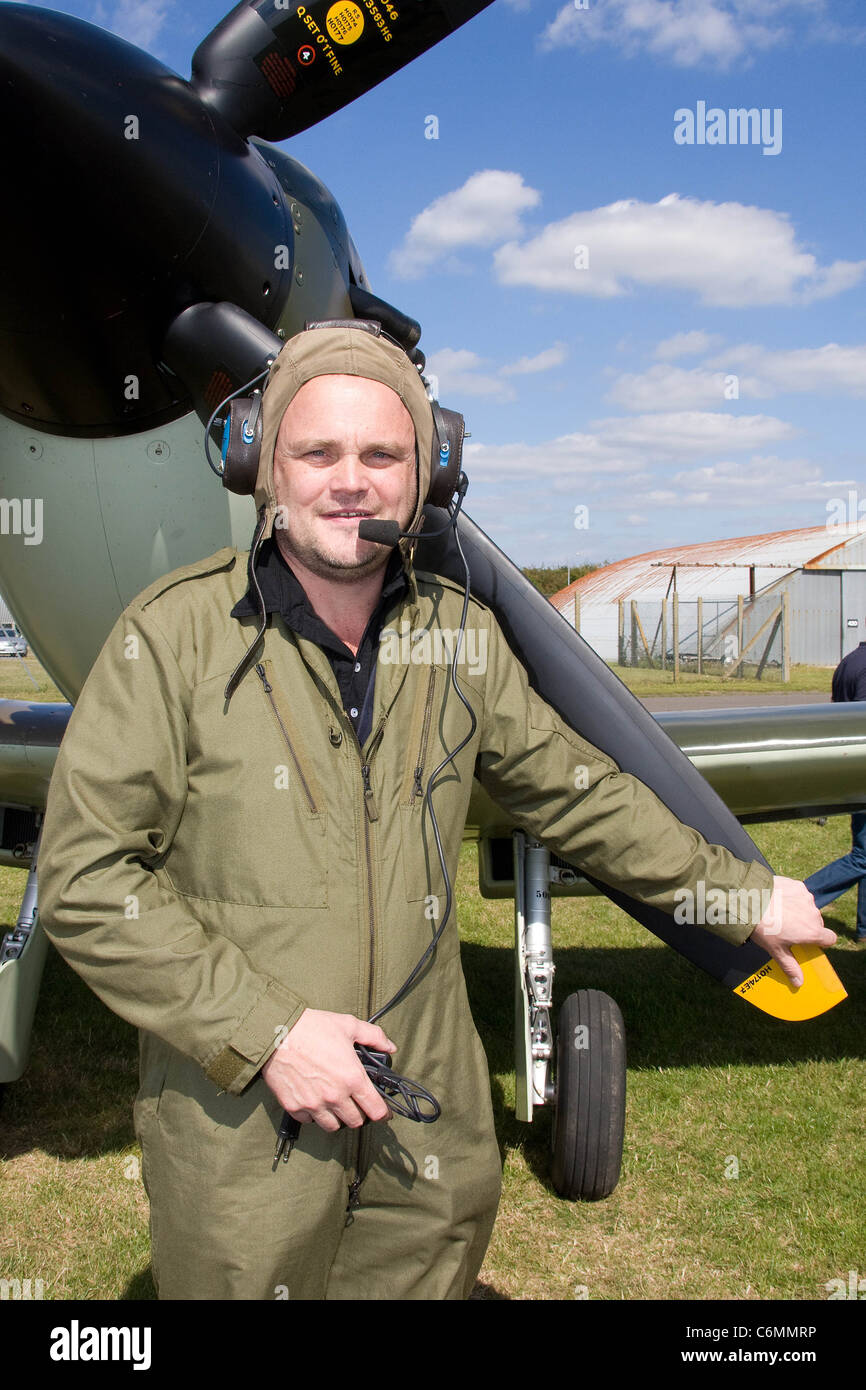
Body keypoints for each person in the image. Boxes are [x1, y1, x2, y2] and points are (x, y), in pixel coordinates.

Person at [38, 322, 834, 1301]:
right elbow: (85, 879)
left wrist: (739, 894)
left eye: (382, 455)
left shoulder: (456, 636)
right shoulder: (171, 636)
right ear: (261, 468)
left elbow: (577, 792)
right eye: (317, 452)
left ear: (427, 475)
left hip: (426, 1116)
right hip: (244, 1115)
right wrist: (268, 1031)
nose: (351, 481)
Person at [805, 633, 866, 942]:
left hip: (853, 768)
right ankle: (804, 897)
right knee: (863, 857)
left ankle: (865, 929)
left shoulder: (849, 662)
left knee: (865, 850)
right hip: (861, 766)